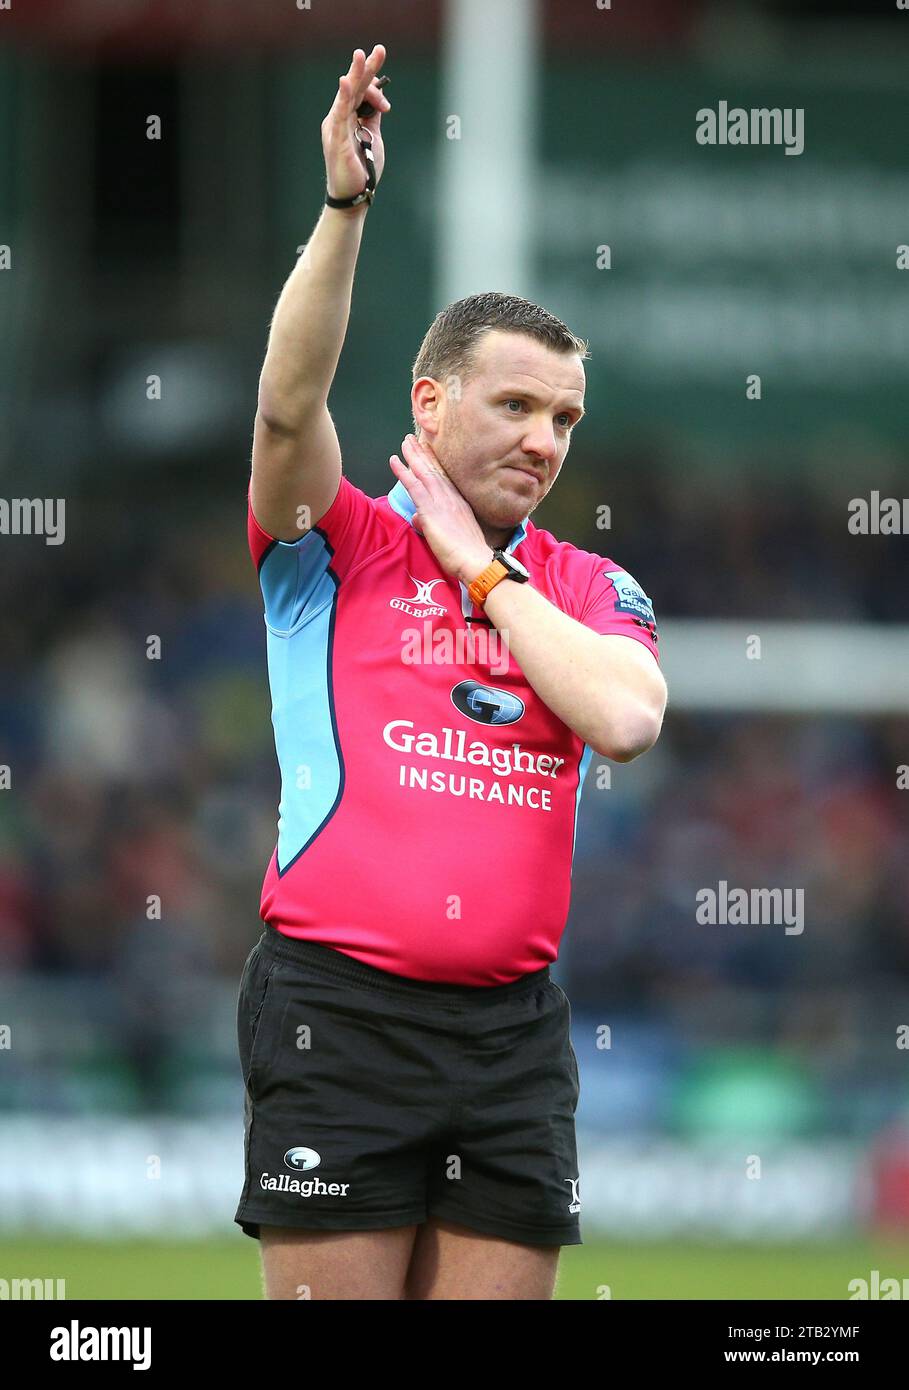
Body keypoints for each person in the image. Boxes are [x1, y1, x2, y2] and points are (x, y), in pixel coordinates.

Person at [235, 43, 667, 1300]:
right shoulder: (338, 544)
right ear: (430, 404)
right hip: (337, 1014)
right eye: (518, 406)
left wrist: (483, 571)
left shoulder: (584, 588)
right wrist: (345, 207)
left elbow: (627, 718)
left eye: (566, 421)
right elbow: (281, 406)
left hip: (513, 1032)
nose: (544, 441)